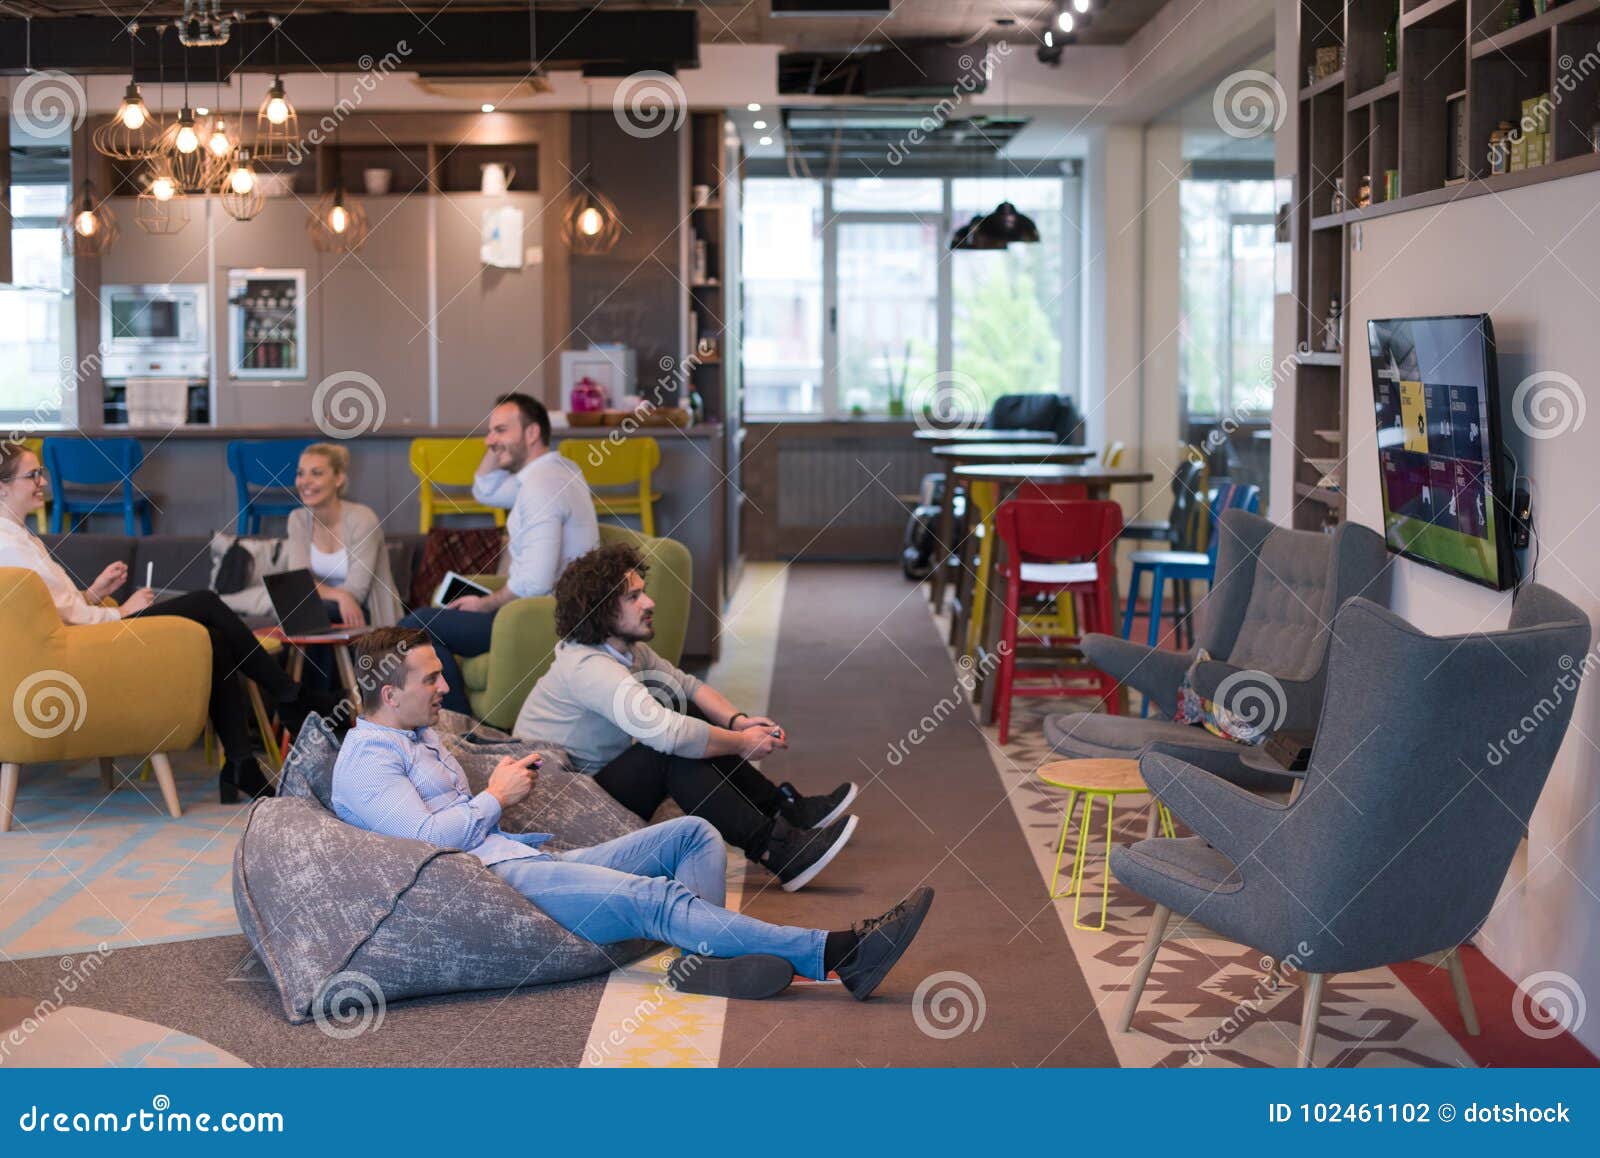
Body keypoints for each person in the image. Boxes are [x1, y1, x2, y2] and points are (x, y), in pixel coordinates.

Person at [331, 627, 934, 1000]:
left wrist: (493, 789)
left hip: (523, 857)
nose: (444, 688)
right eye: (433, 679)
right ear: (389, 694)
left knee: (694, 835)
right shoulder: (366, 762)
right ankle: (837, 954)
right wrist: (495, 797)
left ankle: (701, 959)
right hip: (496, 883)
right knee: (658, 901)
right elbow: (429, 844)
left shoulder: (417, 732)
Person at [0, 441, 337, 803]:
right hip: (86, 645)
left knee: (214, 638)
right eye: (32, 475)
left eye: (42, 474)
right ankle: (290, 696)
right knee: (206, 602)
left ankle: (241, 763)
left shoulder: (19, 537)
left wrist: (95, 591)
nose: (42, 483)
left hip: (82, 636)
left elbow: (48, 609)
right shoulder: (11, 544)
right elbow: (66, 621)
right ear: (2, 487)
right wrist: (124, 610)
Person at [515, 542, 858, 892]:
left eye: (643, 592)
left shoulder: (625, 652)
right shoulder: (589, 669)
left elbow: (689, 688)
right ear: (600, 611)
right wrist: (742, 744)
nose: (649, 603)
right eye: (633, 597)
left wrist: (738, 722)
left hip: (593, 780)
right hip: (567, 805)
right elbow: (672, 737)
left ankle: (783, 812)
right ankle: (775, 849)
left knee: (682, 710)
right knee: (669, 752)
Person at [401, 393, 599, 715]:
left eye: (501, 430)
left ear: (532, 433)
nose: (489, 440)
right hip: (539, 610)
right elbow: (485, 489)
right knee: (427, 629)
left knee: (417, 627)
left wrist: (485, 603)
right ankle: (452, 725)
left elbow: (534, 584)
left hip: (539, 618)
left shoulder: (541, 489)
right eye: (490, 431)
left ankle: (460, 729)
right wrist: (496, 444)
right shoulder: (557, 471)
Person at [286, 442, 404, 630]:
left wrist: (342, 597)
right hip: (327, 607)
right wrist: (340, 596)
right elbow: (299, 583)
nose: (304, 481)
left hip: (367, 614)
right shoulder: (297, 519)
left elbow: (356, 591)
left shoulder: (363, 518)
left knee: (309, 613)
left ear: (339, 478)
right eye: (301, 473)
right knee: (298, 613)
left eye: (316, 473)